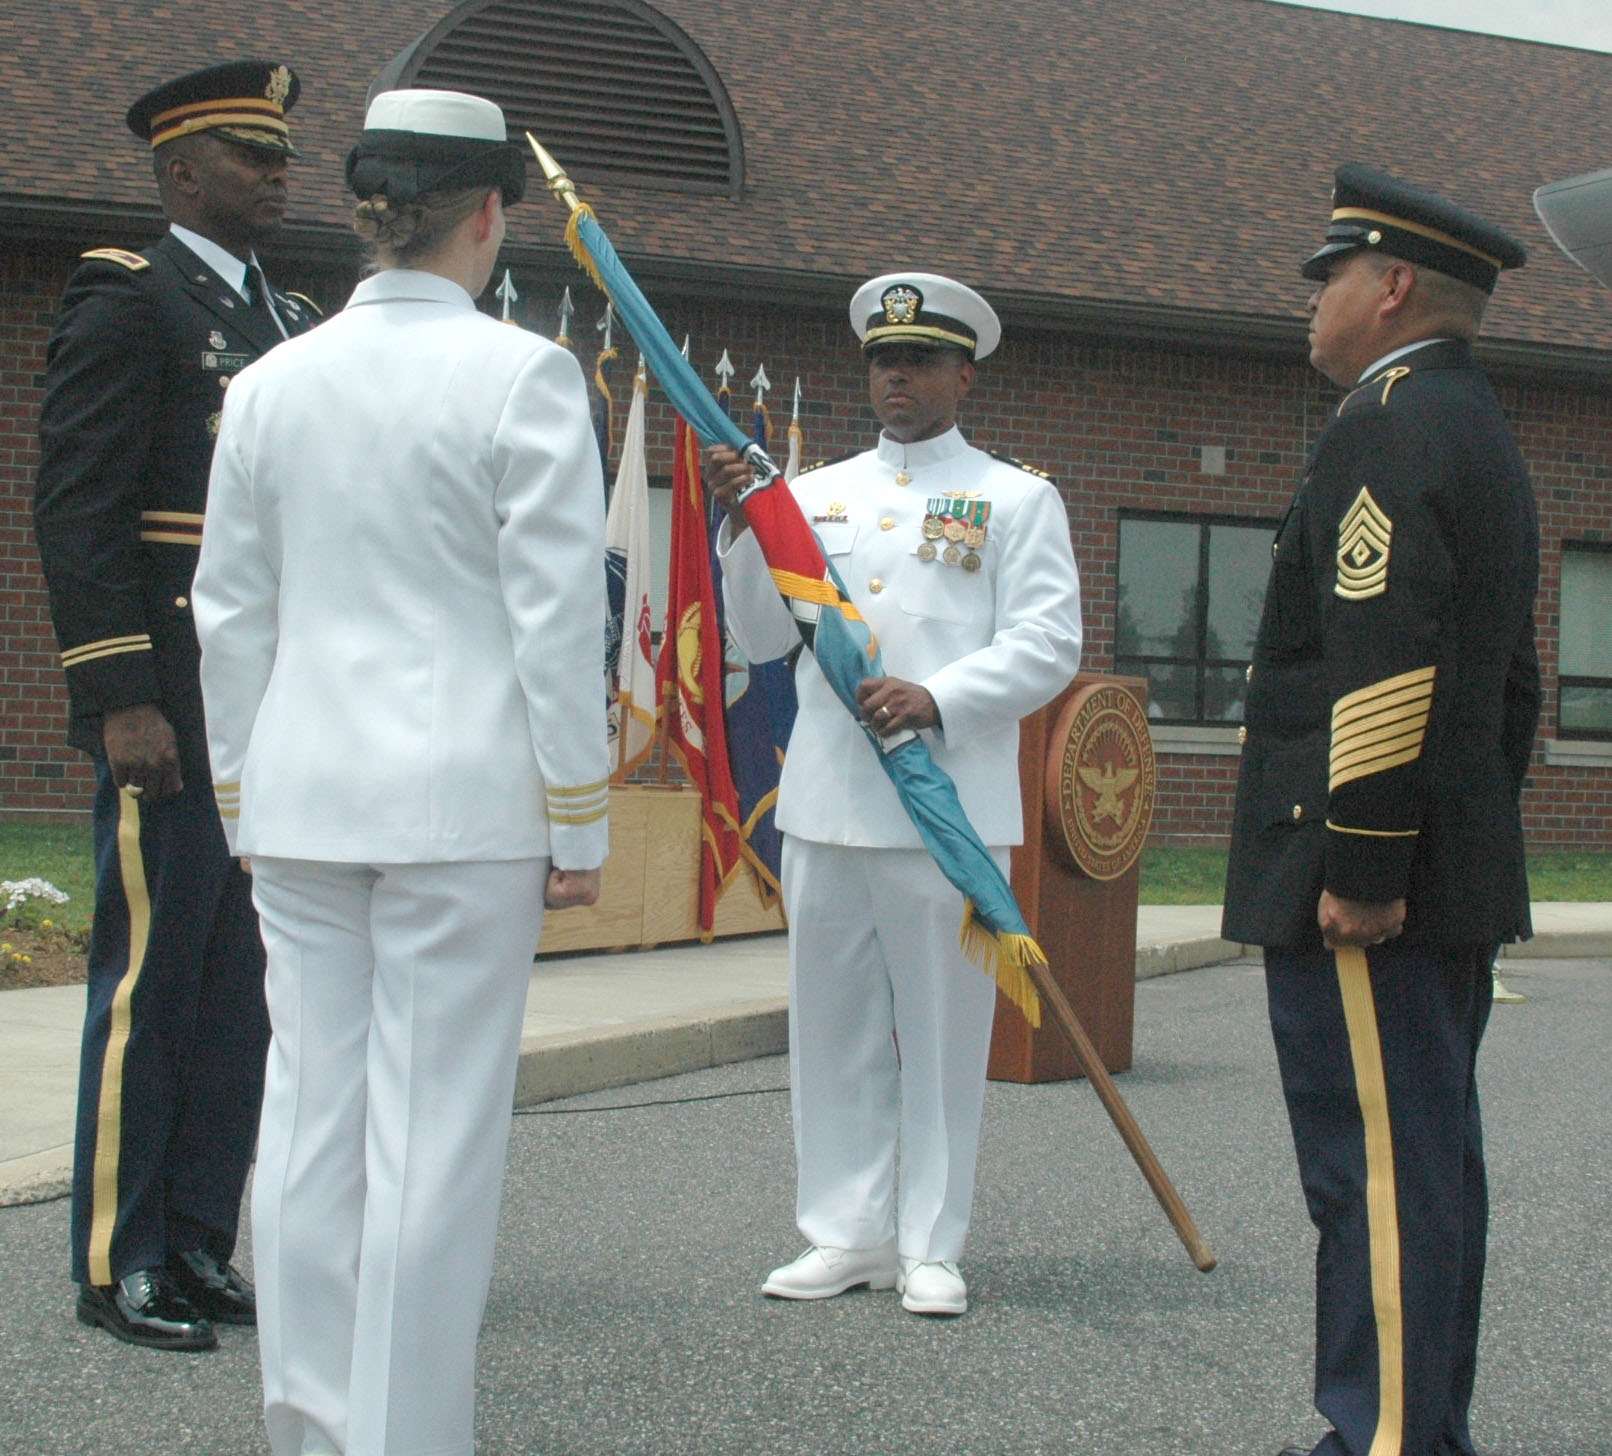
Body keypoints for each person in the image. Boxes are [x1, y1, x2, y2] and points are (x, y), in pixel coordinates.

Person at [192, 88, 608, 1456]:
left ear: (372, 215)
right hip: (461, 805)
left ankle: (309, 1429)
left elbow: (230, 613)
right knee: (432, 1143)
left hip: (302, 795)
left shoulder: (268, 380)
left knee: (310, 1117)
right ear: (489, 216)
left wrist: (243, 793)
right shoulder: (524, 375)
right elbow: (556, 619)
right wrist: (579, 814)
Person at [1222, 164, 1539, 1456]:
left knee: (1379, 1178)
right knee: (1424, 1165)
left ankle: (1387, 1440)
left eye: (1331, 276)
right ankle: (1416, 1429)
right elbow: (1509, 686)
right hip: (1440, 867)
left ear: (1394, 286)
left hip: (1368, 884)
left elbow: (1386, 655)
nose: (1312, 300)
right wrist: (1460, 836)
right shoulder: (1474, 423)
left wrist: (1362, 862)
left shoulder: (1388, 424)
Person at [705, 273, 1083, 1316]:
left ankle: (930, 1244)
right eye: (883, 360)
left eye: (919, 360)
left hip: (944, 811)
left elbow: (1048, 643)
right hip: (828, 804)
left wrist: (939, 697)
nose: (898, 377)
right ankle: (846, 1233)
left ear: (966, 374)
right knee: (832, 1034)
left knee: (943, 1038)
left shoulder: (1016, 499)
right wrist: (743, 525)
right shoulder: (810, 495)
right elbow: (760, 638)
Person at [33, 60, 317, 1352]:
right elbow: (79, 507)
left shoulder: (289, 318)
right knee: (151, 979)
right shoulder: (128, 297)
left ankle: (199, 1234)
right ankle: (120, 1256)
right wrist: (117, 698)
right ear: (179, 171)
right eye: (251, 155)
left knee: (241, 982)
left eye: (281, 155)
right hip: (172, 702)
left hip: (271, 702)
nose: (277, 174)